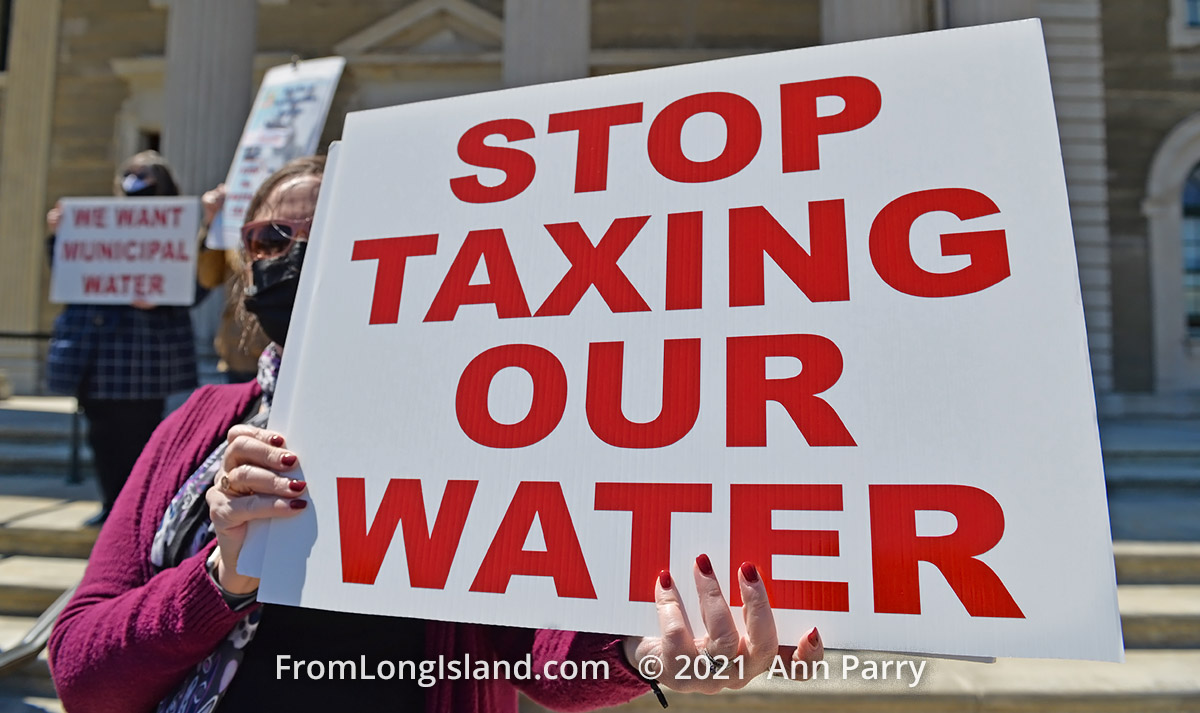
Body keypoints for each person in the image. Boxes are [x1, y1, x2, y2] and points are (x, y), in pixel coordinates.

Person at [48, 156, 824, 713]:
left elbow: (541, 657)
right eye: (269, 241)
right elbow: (81, 674)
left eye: (330, 233)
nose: (293, 258)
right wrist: (221, 578)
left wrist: (644, 653)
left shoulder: (479, 432)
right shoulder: (194, 426)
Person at [45, 150, 198, 526]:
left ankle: (134, 513)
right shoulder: (97, 224)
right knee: (101, 434)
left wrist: (161, 298)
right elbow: (71, 269)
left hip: (141, 354)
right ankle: (111, 503)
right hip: (93, 351)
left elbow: (196, 285)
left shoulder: (180, 228)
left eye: (145, 175)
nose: (136, 181)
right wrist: (57, 235)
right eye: (130, 174)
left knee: (139, 436)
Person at [195, 183, 271, 383]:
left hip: (278, 352)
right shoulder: (232, 220)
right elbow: (208, 277)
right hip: (238, 354)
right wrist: (212, 222)